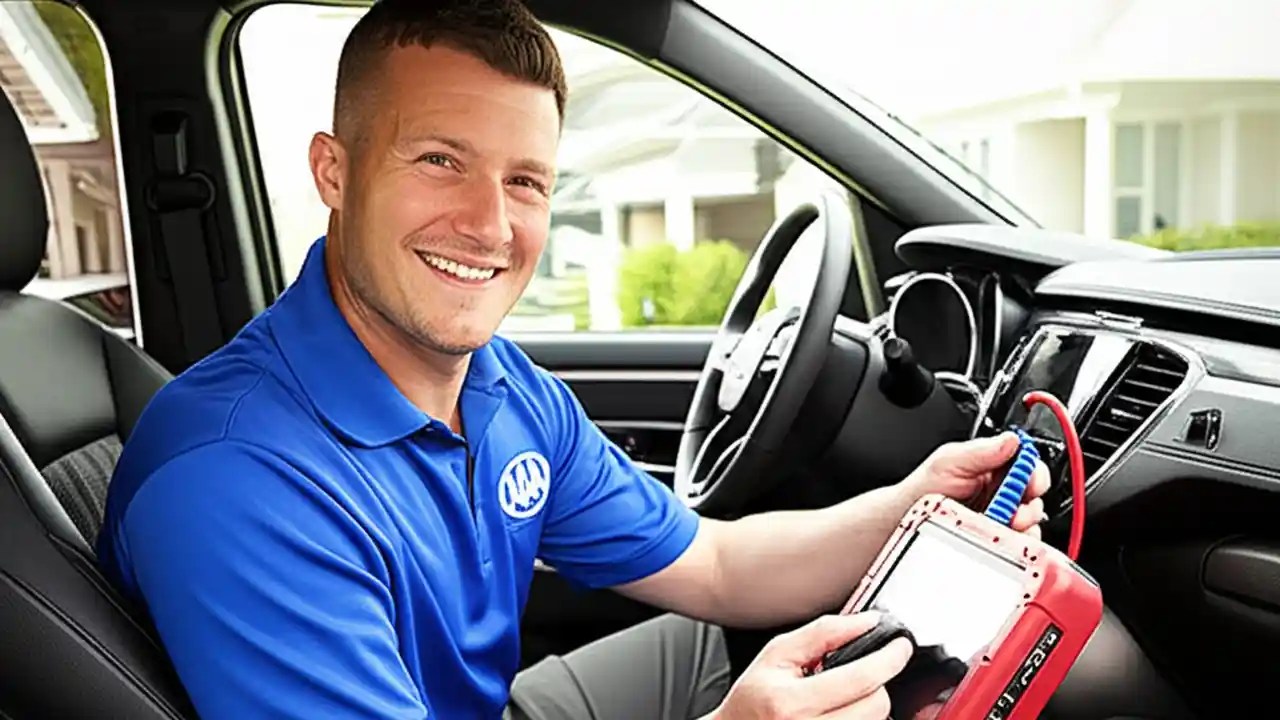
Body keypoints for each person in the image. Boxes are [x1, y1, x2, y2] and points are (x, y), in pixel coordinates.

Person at [95, 1, 1049, 718]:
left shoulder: (503, 387)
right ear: (333, 172)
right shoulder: (235, 477)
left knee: (760, 637)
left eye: (525, 181)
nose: (488, 224)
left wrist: (917, 507)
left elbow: (714, 565)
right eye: (439, 161)